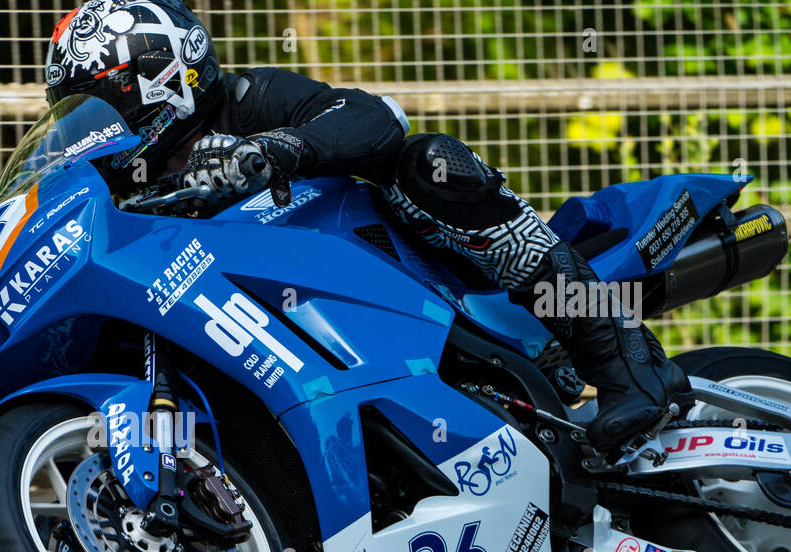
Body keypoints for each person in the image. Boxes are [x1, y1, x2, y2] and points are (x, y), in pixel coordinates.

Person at [43, 0, 691, 455]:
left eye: (106, 97)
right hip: (300, 345)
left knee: (428, 162)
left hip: (433, 278)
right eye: (82, 110)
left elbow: (373, 117)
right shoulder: (127, 191)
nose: (103, 120)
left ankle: (624, 358)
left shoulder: (248, 100)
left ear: (158, 73)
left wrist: (271, 150)